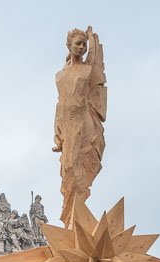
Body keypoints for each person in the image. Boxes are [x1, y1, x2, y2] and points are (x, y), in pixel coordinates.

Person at [52, 26, 106, 221]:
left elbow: (98, 89)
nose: (81, 47)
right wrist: (57, 130)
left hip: (82, 121)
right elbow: (60, 103)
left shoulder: (88, 70)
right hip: (66, 120)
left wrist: (94, 46)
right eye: (78, 44)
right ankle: (71, 215)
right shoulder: (60, 74)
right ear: (69, 45)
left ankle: (73, 213)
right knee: (66, 168)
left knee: (75, 167)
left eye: (84, 44)